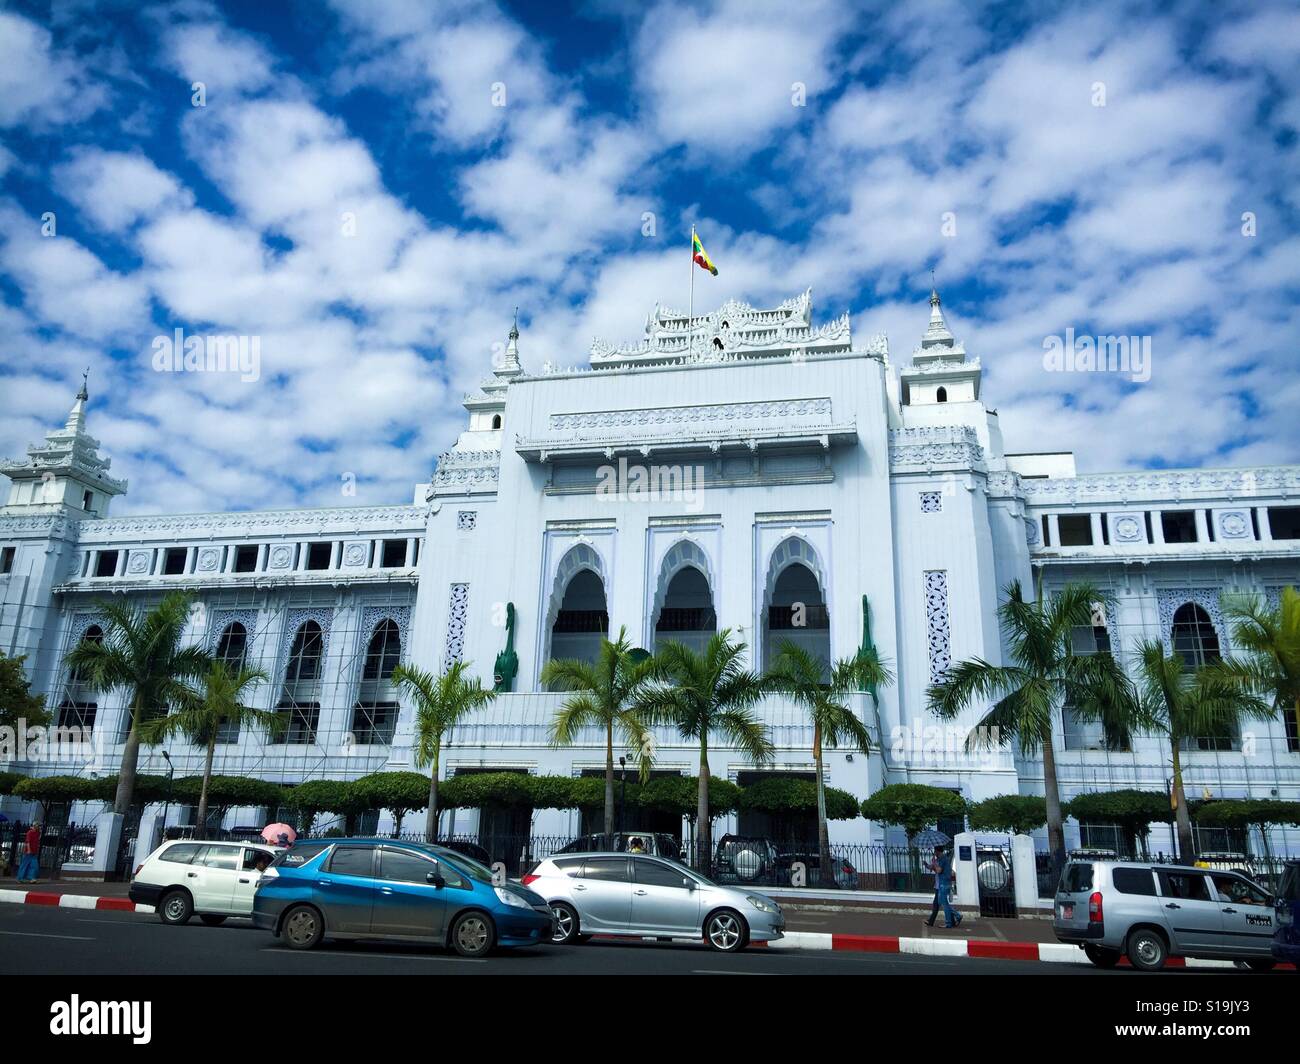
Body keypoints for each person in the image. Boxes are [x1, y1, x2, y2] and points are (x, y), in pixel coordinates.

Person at [924, 844, 962, 928]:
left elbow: (939, 870)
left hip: (943, 884)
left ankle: (950, 921)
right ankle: (954, 918)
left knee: (944, 904)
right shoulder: (942, 859)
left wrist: (934, 863)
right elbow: (936, 869)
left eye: (935, 851)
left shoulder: (943, 859)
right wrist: (929, 865)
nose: (934, 853)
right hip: (943, 883)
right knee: (942, 903)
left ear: (937, 851)